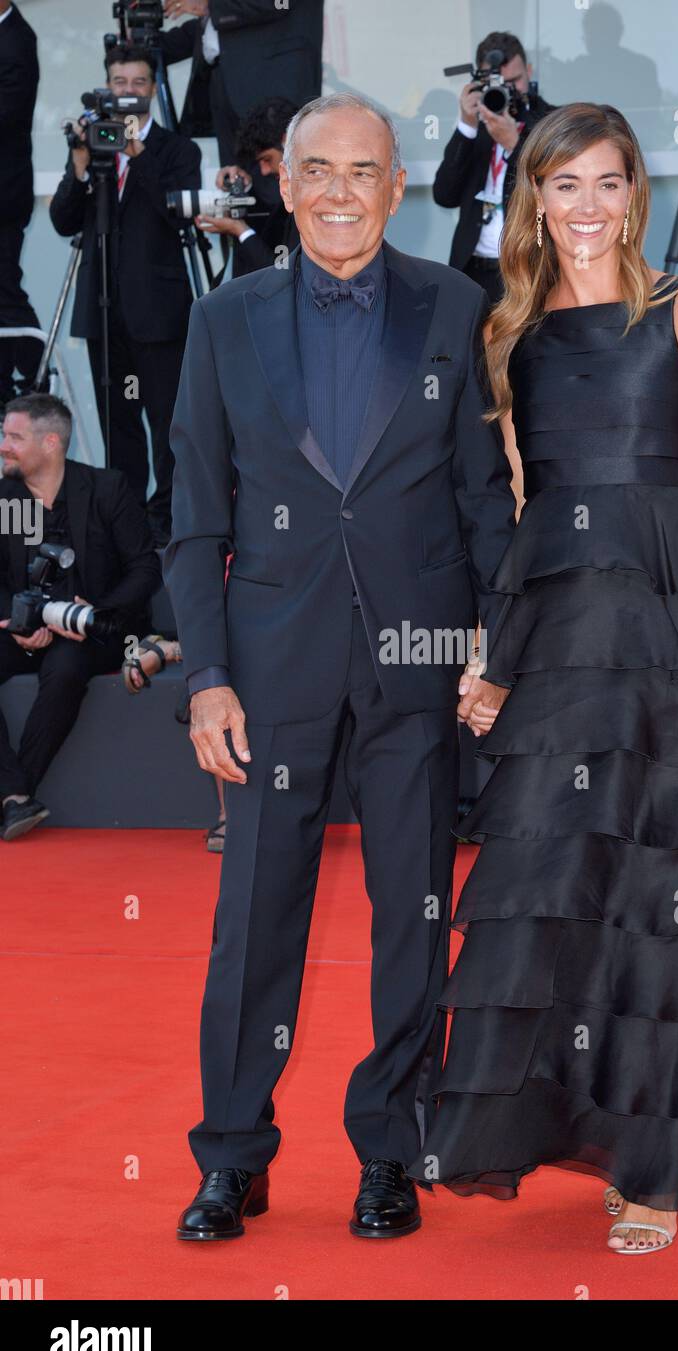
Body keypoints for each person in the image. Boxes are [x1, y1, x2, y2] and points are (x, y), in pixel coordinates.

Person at [406, 102, 678, 1254]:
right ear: (531, 197)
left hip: (673, 621)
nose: (585, 207)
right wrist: (491, 651)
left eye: (607, 183)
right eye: (561, 185)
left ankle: (648, 1168)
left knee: (653, 894)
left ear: (636, 193)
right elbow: (519, 509)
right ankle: (528, 1124)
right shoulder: (507, 333)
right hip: (561, 619)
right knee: (538, 876)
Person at [163, 92, 517, 1242]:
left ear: (395, 184)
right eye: (316, 171)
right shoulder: (225, 318)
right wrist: (205, 676)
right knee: (254, 915)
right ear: (282, 180)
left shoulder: (451, 305)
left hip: (417, 667)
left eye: (361, 172)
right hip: (269, 674)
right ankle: (231, 1154)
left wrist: (490, 644)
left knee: (410, 911)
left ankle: (392, 1148)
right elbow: (192, 516)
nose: (337, 194)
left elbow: (479, 497)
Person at [48, 44, 201, 547]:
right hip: (103, 310)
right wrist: (79, 161)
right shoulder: (97, 146)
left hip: (157, 314)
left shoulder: (178, 150)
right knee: (119, 425)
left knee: (166, 423)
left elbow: (179, 215)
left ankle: (168, 523)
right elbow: (63, 221)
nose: (128, 92)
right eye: (119, 83)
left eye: (137, 83)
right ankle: (127, 521)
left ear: (153, 90)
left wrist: (139, 156)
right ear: (107, 87)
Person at [0, 395, 161, 840]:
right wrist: (14, 623)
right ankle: (13, 798)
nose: (3, 446)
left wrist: (98, 612)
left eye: (14, 437)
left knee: (66, 669)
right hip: (25, 628)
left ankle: (16, 793)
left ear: (51, 442)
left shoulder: (107, 489)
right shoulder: (8, 498)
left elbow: (145, 568)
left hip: (95, 629)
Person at [433, 31, 554, 303]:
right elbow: (445, 195)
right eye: (498, 83)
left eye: (515, 81)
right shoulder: (477, 127)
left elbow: (556, 192)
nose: (508, 90)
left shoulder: (553, 122)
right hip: (472, 271)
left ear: (530, 71)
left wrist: (515, 144)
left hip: (528, 272)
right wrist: (466, 124)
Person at [162, 0, 323, 174]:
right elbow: (215, 30)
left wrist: (211, 5)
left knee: (281, 188)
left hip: (272, 81)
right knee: (237, 185)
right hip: (224, 82)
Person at [194, 96, 301, 277]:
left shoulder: (311, 198)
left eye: (266, 159)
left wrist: (239, 229)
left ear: (286, 141)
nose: (264, 170)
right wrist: (244, 183)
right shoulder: (279, 188)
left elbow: (282, 274)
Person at [0, 0, 40, 408]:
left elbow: (8, 115)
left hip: (5, 196)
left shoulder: (17, 39)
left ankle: (34, 372)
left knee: (4, 286)